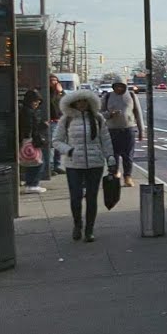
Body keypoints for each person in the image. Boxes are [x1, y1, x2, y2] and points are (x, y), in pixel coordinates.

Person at [53, 89, 116, 243]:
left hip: (95, 163)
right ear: (73, 104)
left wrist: (110, 158)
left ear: (90, 103)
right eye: (78, 102)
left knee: (92, 197)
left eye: (84, 101)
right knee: (75, 197)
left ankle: (89, 229)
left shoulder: (98, 118)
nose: (81, 104)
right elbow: (56, 140)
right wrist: (69, 150)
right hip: (74, 164)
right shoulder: (66, 120)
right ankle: (77, 224)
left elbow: (105, 140)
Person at [101, 76, 143, 187]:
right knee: (112, 155)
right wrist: (109, 114)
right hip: (112, 130)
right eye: (117, 86)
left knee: (128, 155)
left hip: (128, 129)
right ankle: (114, 173)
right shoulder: (107, 96)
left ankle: (127, 176)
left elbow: (138, 113)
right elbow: (100, 114)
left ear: (125, 86)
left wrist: (141, 130)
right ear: (113, 87)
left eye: (121, 86)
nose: (119, 88)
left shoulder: (131, 96)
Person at [18, 89, 47, 193]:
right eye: (35, 101)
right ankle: (32, 184)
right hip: (31, 141)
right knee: (37, 162)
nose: (37, 104)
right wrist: (42, 126)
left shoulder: (25, 110)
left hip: (29, 140)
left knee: (33, 162)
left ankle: (30, 183)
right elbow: (30, 127)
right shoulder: (28, 112)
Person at [48, 74, 66, 174]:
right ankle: (50, 167)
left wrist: (61, 92)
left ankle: (57, 165)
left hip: (60, 121)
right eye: (51, 80)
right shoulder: (47, 92)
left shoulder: (60, 92)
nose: (54, 82)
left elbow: (66, 102)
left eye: (55, 80)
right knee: (52, 145)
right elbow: (51, 102)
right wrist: (56, 92)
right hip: (51, 121)